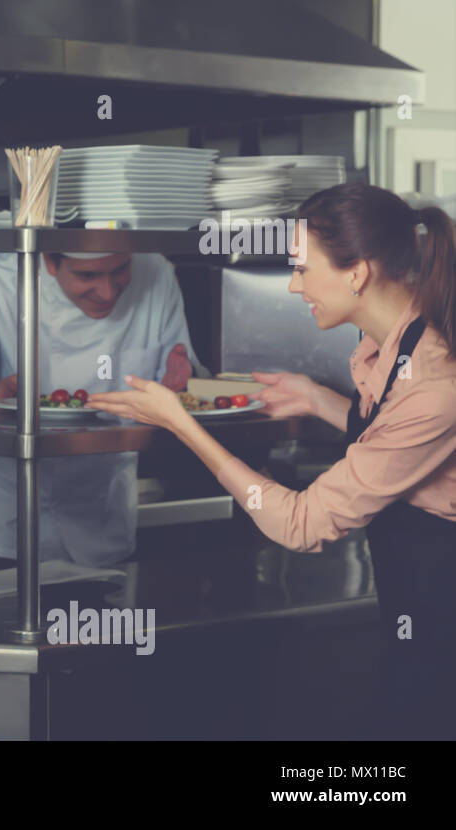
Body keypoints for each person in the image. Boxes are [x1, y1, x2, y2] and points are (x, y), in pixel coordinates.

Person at [86, 183, 456, 739]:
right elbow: (392, 438)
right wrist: (315, 397)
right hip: (422, 619)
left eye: (303, 269)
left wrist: (181, 424)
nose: (293, 284)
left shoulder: (434, 377)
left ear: (356, 272)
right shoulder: (394, 342)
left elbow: (301, 524)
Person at [0, 250, 199, 566]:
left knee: (101, 615)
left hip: (105, 514)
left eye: (120, 268)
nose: (107, 292)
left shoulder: (156, 272)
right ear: (50, 263)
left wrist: (184, 383)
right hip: (10, 519)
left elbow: (180, 377)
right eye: (87, 276)